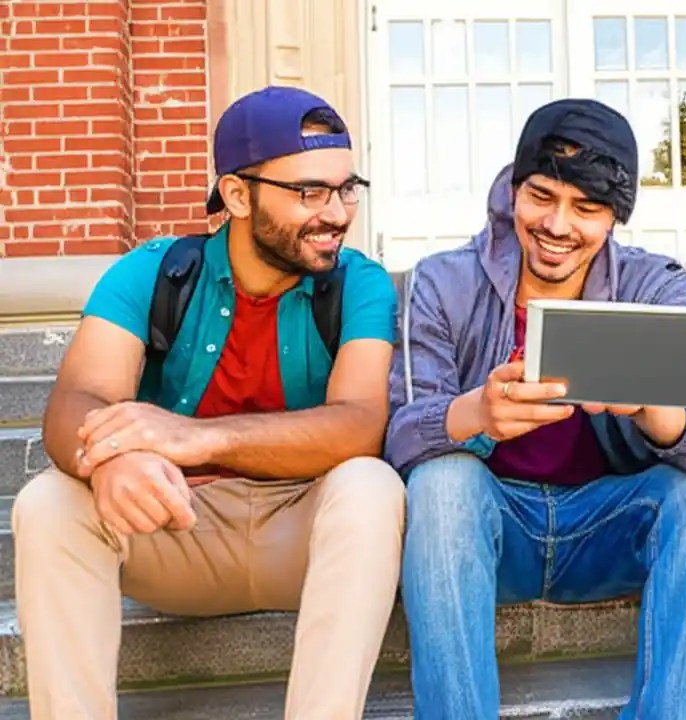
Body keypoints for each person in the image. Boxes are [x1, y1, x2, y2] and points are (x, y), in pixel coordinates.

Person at [12, 86, 405, 720]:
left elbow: (360, 425)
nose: (335, 212)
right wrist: (108, 461)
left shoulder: (358, 282)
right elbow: (73, 401)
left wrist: (203, 438)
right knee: (49, 500)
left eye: (345, 188)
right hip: (173, 523)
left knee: (372, 483)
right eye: (309, 192)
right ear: (238, 195)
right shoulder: (156, 270)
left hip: (300, 532)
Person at [385, 98, 686, 719]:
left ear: (614, 217)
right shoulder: (442, 281)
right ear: (514, 189)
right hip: (494, 528)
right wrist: (476, 414)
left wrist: (654, 412)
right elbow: (399, 438)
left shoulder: (653, 286)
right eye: (541, 196)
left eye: (587, 209)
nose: (557, 225)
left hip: (607, 525)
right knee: (441, 481)